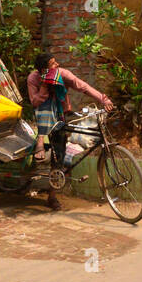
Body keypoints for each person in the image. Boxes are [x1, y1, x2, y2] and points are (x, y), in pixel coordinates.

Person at [25, 51, 115, 210]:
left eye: (55, 62)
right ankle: (41, 140)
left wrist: (103, 99)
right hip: (43, 115)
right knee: (45, 105)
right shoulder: (33, 78)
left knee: (59, 156)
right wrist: (45, 86)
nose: (57, 65)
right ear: (44, 70)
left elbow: (83, 86)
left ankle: (52, 196)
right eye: (53, 64)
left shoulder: (62, 74)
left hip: (60, 115)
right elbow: (35, 102)